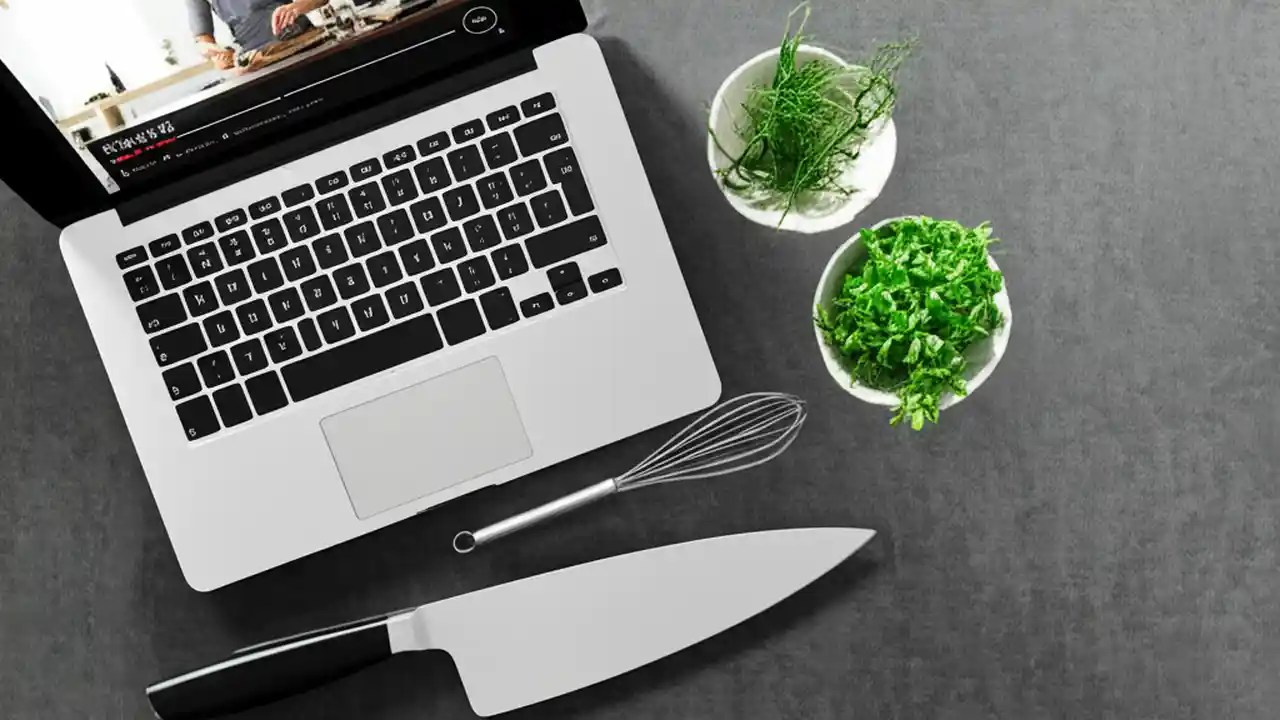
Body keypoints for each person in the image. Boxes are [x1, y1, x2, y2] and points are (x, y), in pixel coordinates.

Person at [188, 0, 329, 67]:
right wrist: (212, 51)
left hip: (301, 44)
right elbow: (202, 39)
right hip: (255, 61)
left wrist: (297, 7)